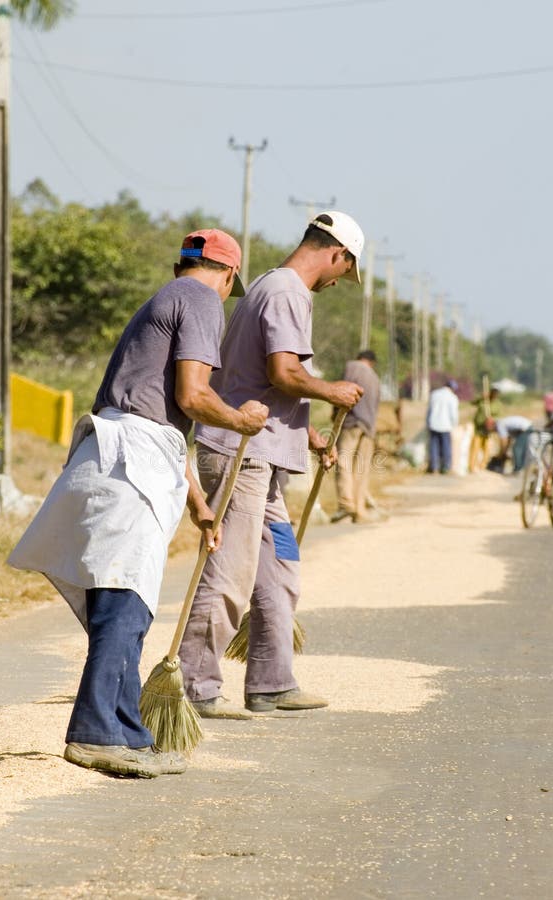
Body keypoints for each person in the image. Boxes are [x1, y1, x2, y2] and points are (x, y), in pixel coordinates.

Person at [8, 229, 268, 778]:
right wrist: (242, 420)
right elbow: (192, 398)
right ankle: (94, 731)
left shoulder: (164, 299)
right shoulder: (201, 300)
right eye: (229, 285)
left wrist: (198, 501)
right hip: (131, 461)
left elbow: (164, 416)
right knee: (124, 602)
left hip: (116, 456)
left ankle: (127, 730)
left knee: (126, 605)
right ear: (226, 276)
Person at [178, 210, 365, 718]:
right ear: (336, 254)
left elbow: (259, 379)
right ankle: (195, 685)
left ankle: (272, 683)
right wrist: (333, 390)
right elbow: (284, 373)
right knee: (230, 572)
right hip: (241, 456)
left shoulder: (274, 287)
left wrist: (310, 434)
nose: (336, 282)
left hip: (266, 462)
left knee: (280, 569)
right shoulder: (286, 292)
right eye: (343, 272)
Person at [331, 349, 380, 523]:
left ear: (360, 358)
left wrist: (335, 415)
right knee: (361, 469)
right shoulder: (375, 377)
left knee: (343, 462)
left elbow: (340, 392)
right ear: (372, 362)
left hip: (350, 422)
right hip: (369, 427)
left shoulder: (352, 367)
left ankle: (346, 506)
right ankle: (359, 511)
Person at [426, 379, 459, 473]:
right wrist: (454, 425)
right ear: (452, 388)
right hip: (445, 425)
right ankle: (446, 468)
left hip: (433, 424)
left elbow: (429, 411)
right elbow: (454, 414)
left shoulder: (434, 394)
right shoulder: (452, 397)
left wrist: (428, 423)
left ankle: (434, 468)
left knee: (434, 446)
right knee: (446, 447)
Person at [468, 387, 501, 472]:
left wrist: (491, 421)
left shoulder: (497, 404)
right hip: (478, 429)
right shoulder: (483, 401)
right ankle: (471, 466)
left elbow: (499, 416)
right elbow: (472, 403)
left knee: (487, 449)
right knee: (475, 447)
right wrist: (481, 397)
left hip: (488, 431)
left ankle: (482, 466)